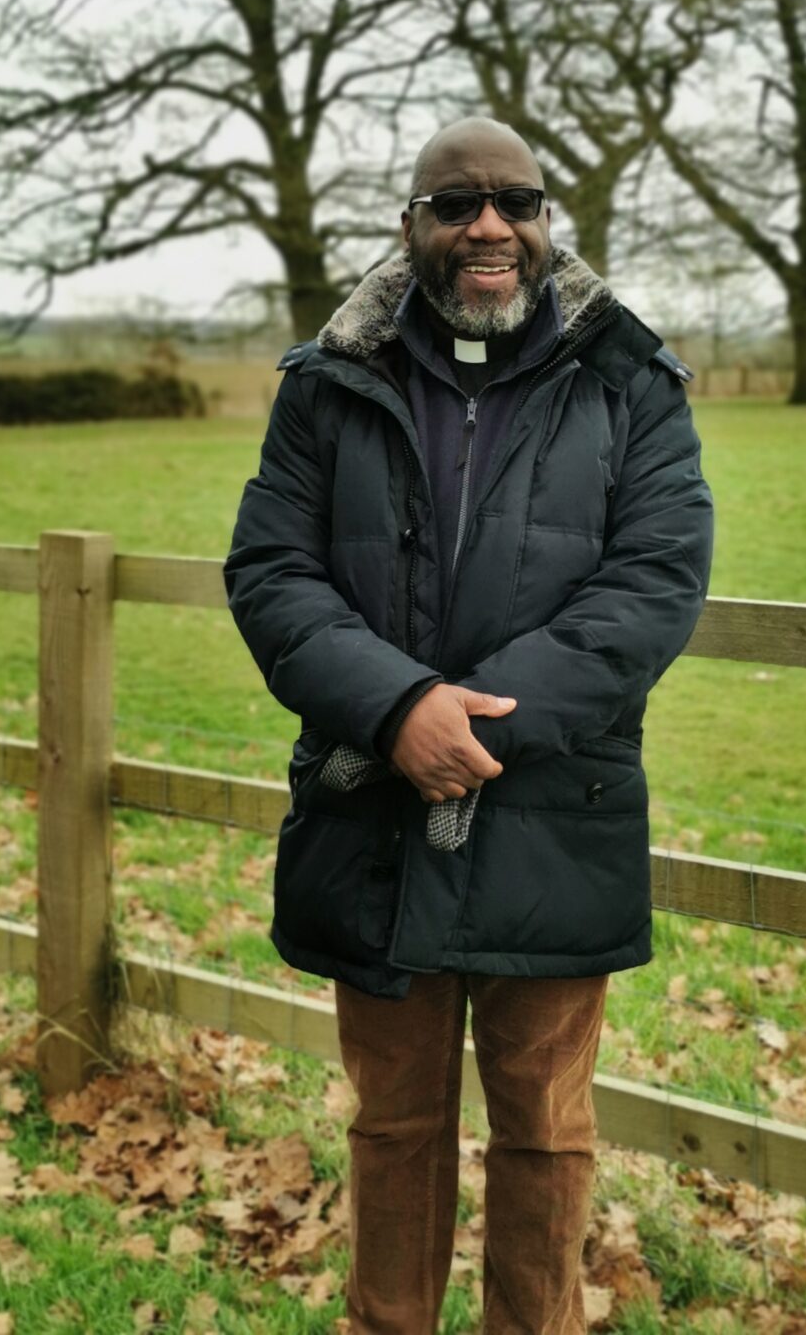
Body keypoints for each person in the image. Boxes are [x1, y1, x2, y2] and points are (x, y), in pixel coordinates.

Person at [224, 117, 714, 1334]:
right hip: (373, 810)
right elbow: (272, 570)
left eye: (516, 201)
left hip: (555, 814)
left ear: (547, 223)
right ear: (413, 227)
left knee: (546, 1134)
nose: (488, 225)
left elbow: (654, 581)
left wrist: (477, 727)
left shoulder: (632, 382)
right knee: (391, 1127)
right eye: (457, 205)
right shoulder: (332, 384)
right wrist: (396, 709)